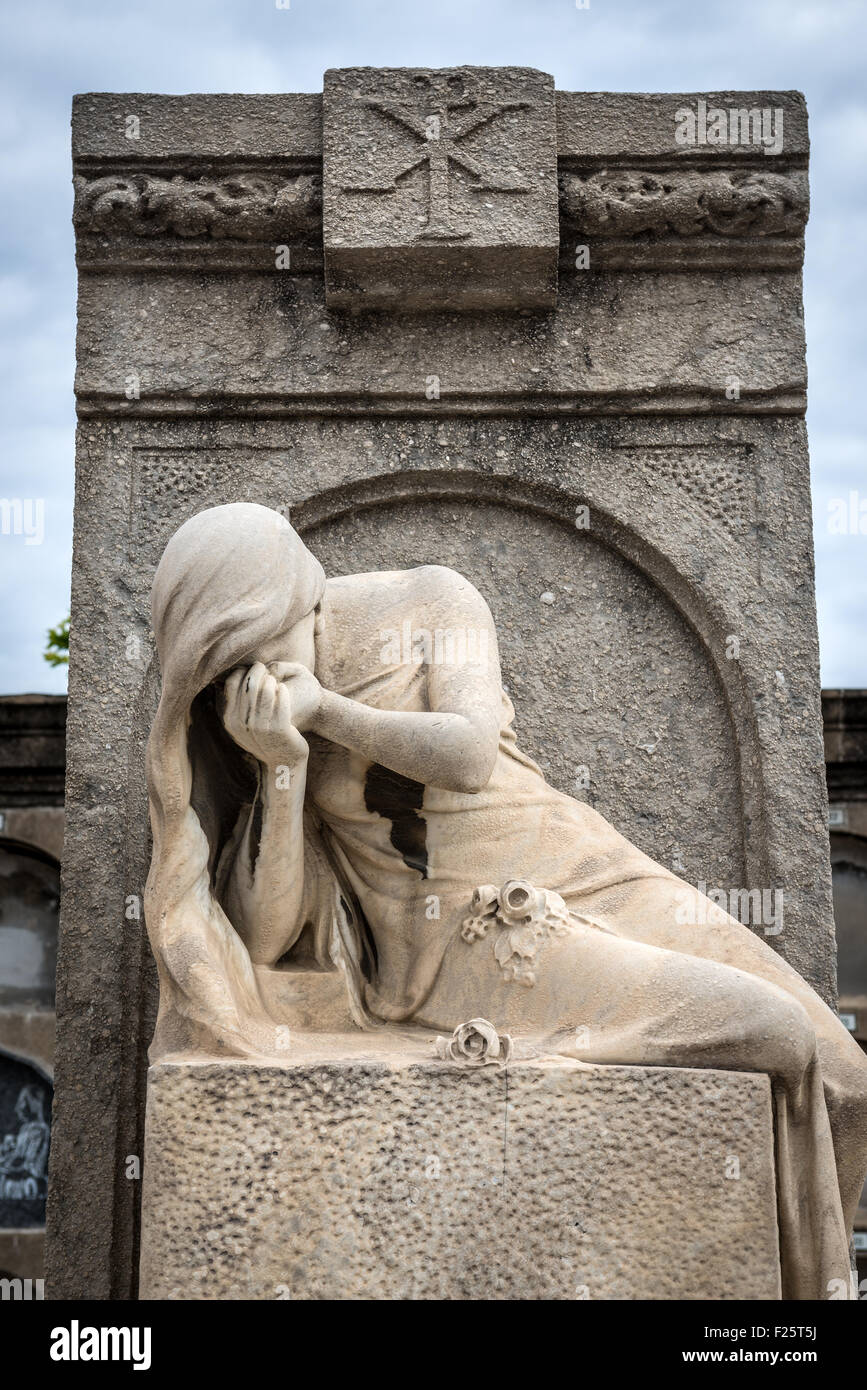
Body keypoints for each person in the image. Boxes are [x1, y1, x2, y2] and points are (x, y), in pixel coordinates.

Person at [146, 502, 867, 1299]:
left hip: (582, 863)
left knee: (845, 1081)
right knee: (769, 1030)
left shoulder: (429, 599)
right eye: (229, 668)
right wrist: (282, 768)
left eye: (259, 647)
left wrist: (324, 710)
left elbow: (467, 756)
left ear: (298, 595)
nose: (253, 680)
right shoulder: (245, 719)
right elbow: (263, 940)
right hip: (466, 936)